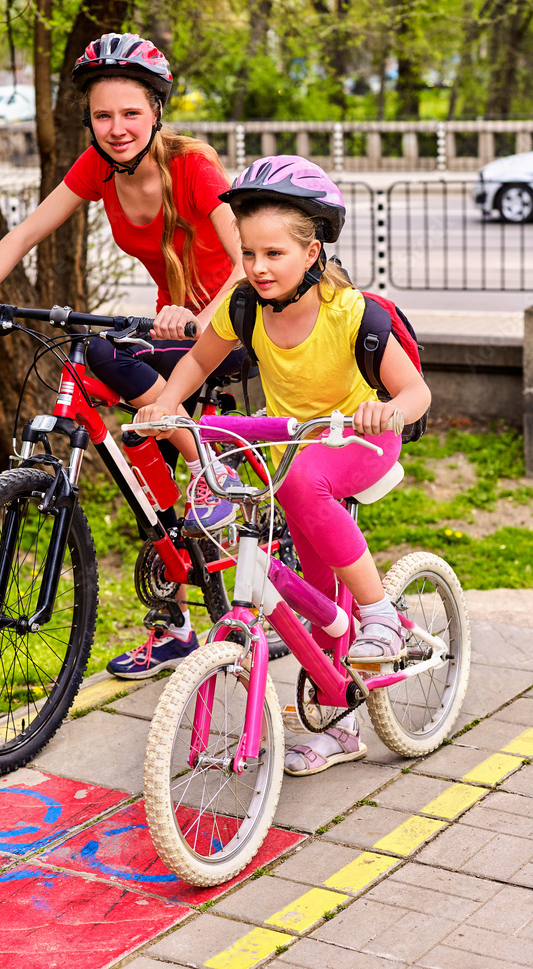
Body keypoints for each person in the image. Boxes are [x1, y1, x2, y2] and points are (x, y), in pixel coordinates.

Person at [0, 32, 265, 679]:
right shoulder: (98, 166)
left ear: (156, 113)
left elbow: (246, 265)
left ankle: (212, 473)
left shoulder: (194, 167)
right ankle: (175, 621)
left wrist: (197, 317)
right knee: (136, 445)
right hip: (171, 325)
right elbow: (28, 231)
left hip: (232, 322)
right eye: (102, 115)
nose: (115, 129)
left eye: (129, 114)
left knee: (102, 355)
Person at [134, 154, 432, 775]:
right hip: (294, 449)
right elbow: (196, 362)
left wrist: (388, 411)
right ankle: (340, 718)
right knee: (318, 595)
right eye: (248, 254)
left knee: (305, 489)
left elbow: (416, 394)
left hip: (361, 439)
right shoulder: (244, 306)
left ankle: (380, 614)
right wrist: (164, 404)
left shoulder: (355, 316)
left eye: (273, 254)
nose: (257, 268)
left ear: (313, 251)